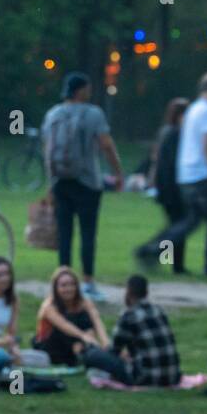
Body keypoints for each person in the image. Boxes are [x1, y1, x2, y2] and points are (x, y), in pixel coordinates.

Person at [42, 72, 123, 300]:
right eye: (87, 88)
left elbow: (47, 148)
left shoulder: (53, 114)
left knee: (64, 233)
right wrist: (117, 172)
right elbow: (106, 144)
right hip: (87, 181)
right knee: (88, 233)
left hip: (60, 181)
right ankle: (87, 282)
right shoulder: (93, 114)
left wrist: (50, 182)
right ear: (81, 91)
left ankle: (62, 280)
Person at [166, 72, 207, 277]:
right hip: (204, 176)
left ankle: (153, 249)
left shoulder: (193, 109)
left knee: (190, 221)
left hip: (187, 175)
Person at [100, 274, 183, 387]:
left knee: (93, 355)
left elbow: (114, 350)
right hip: (173, 376)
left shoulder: (128, 315)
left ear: (128, 292)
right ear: (147, 292)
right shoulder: (159, 310)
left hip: (143, 378)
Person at [136, 97, 189, 272]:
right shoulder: (176, 134)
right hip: (173, 188)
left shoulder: (165, 131)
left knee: (173, 225)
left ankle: (167, 261)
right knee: (178, 226)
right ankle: (168, 261)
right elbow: (175, 163)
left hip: (164, 187)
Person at [33, 266, 113, 370]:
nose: (69, 289)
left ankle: (86, 353)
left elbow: (96, 321)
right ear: (55, 288)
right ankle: (83, 353)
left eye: (72, 284)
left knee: (86, 322)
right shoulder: (48, 306)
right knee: (77, 332)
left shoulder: (84, 301)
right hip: (52, 344)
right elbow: (64, 325)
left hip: (76, 340)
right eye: (63, 285)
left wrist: (106, 343)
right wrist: (84, 337)